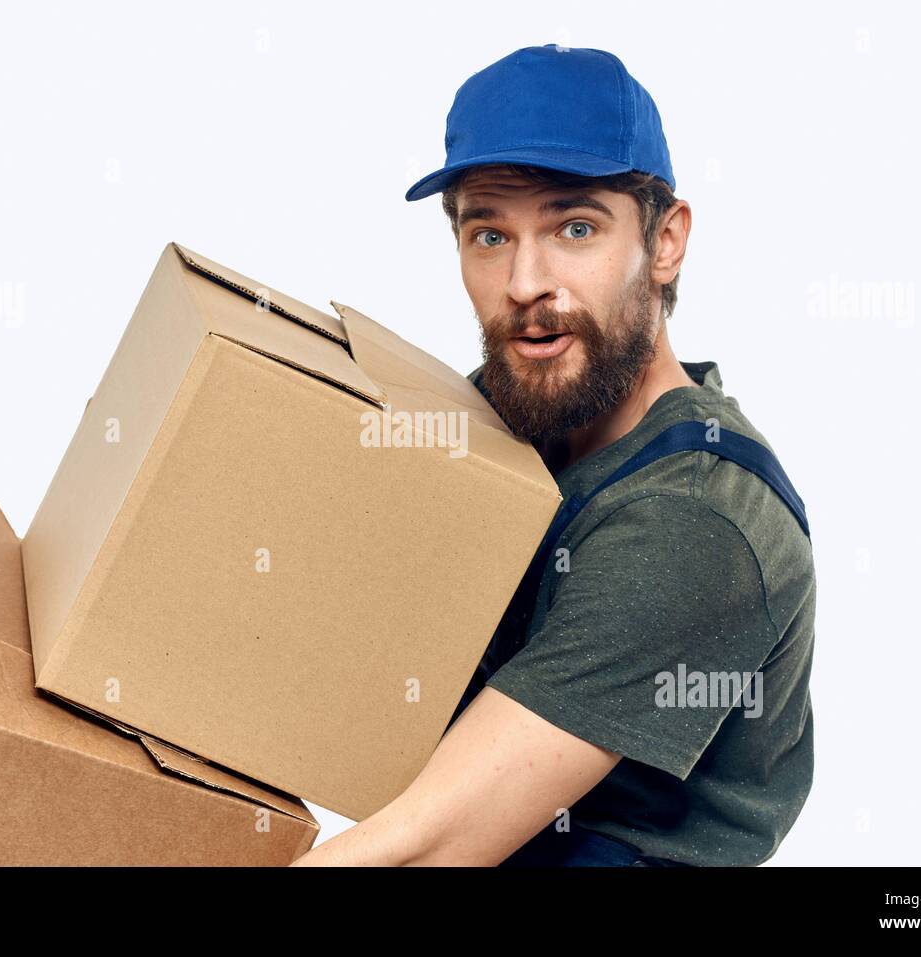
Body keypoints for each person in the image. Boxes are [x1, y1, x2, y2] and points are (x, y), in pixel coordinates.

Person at [291, 43, 814, 867]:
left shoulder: (697, 520)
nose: (525, 282)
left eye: (575, 227)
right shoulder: (509, 415)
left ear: (666, 241)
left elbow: (429, 848)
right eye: (489, 234)